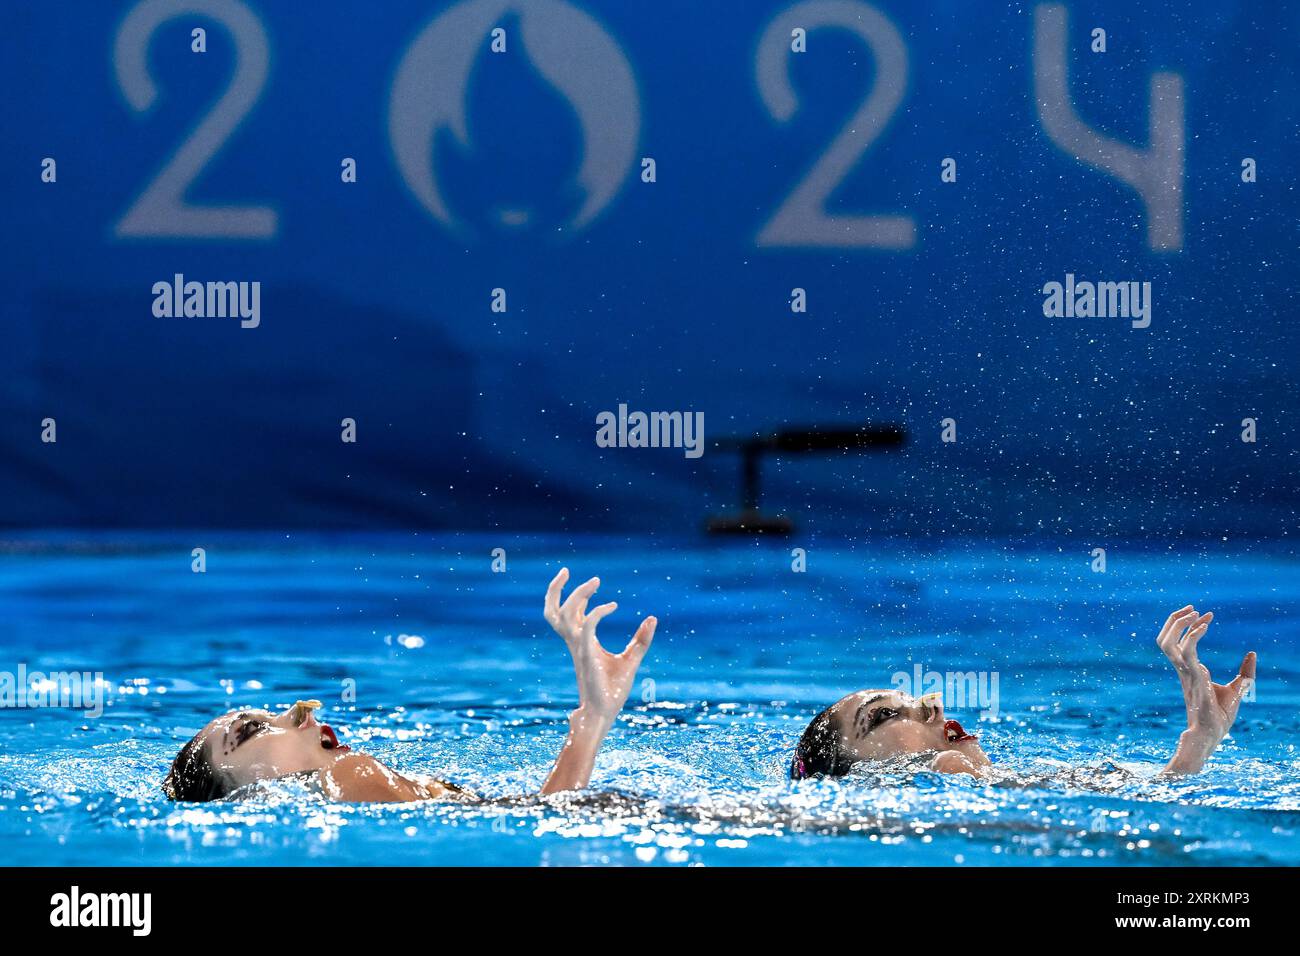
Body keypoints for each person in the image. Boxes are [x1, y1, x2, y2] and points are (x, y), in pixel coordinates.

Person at [162, 569, 656, 802]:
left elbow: (543, 822)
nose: (298, 710)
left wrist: (592, 721)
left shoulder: (341, 790)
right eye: (251, 731)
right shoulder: (347, 775)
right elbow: (549, 824)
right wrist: (591, 720)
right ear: (235, 794)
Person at [789, 605, 1256, 780]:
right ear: (848, 773)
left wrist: (1197, 744)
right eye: (883, 717)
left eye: (913, 699)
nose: (933, 705)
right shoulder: (945, 770)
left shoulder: (958, 780)